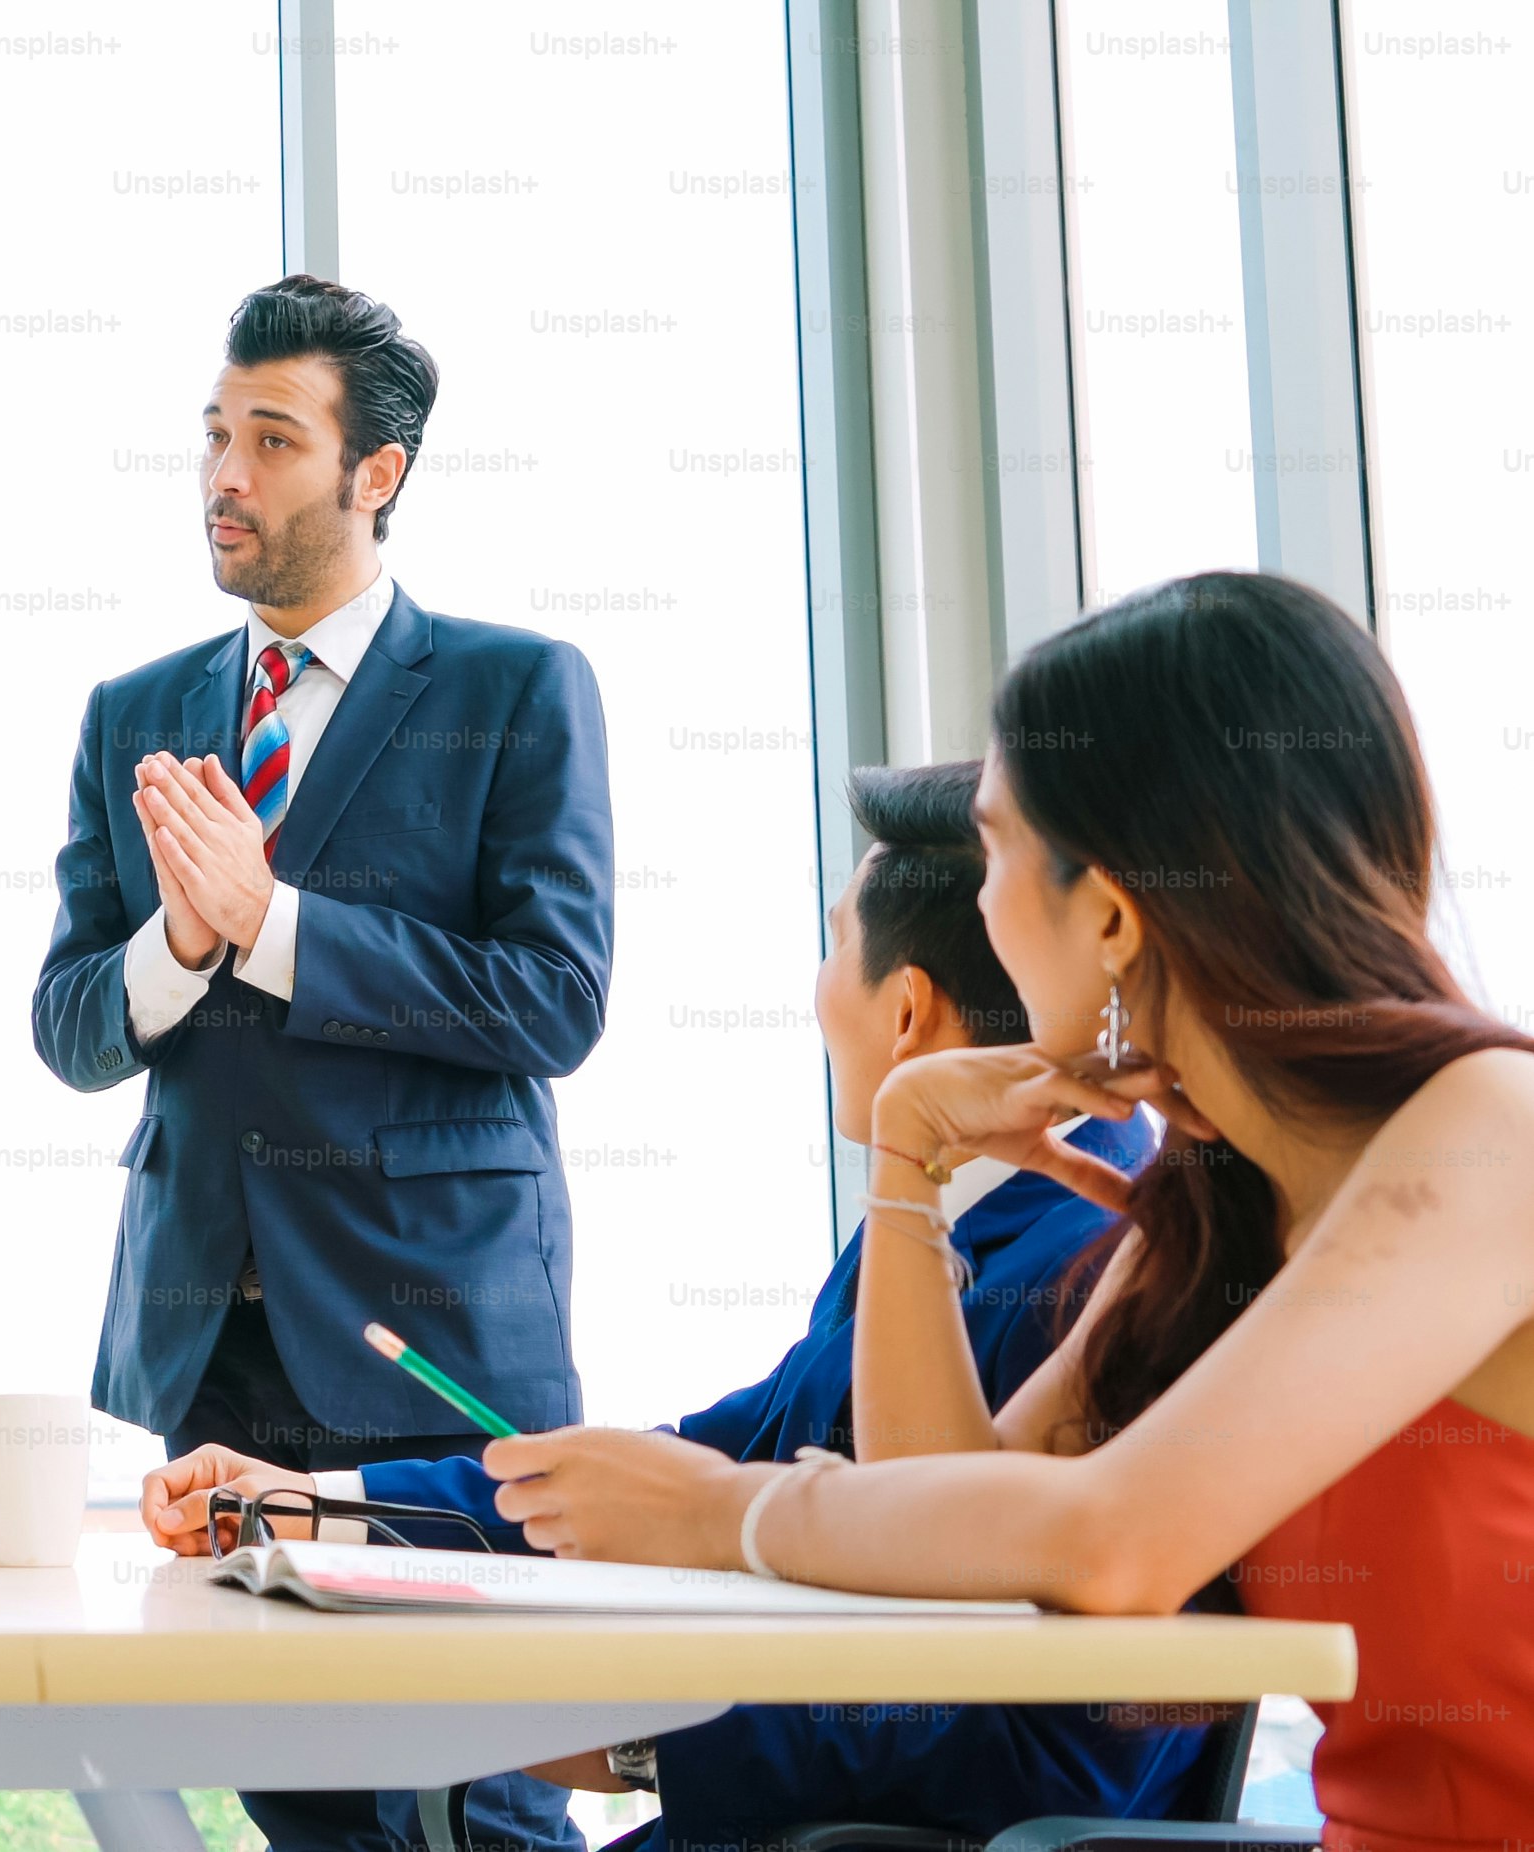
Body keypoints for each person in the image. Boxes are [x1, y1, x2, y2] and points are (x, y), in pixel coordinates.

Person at [477, 573, 1534, 1852]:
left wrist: (720, 1510)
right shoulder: (1220, 1211)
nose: (974, 901)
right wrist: (907, 1156)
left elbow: (1113, 1542)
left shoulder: (1493, 1131)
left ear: (1104, 911)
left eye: (991, 849)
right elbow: (959, 1544)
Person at [147, 760, 1222, 1847]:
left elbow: (1011, 1721)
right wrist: (320, 1499)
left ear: (905, 1009)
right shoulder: (945, 1226)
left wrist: (642, 1740)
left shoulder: (1092, 1264)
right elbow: (687, 1461)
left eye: (831, 940)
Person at [33, 273, 613, 1852]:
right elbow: (72, 1020)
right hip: (207, 1346)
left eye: (271, 439)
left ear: (379, 475)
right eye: (214, 434)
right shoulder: (132, 713)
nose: (225, 475)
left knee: (473, 1804)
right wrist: (187, 942)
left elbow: (552, 999)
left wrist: (273, 921)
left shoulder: (511, 690)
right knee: (297, 1798)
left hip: (428, 1331)